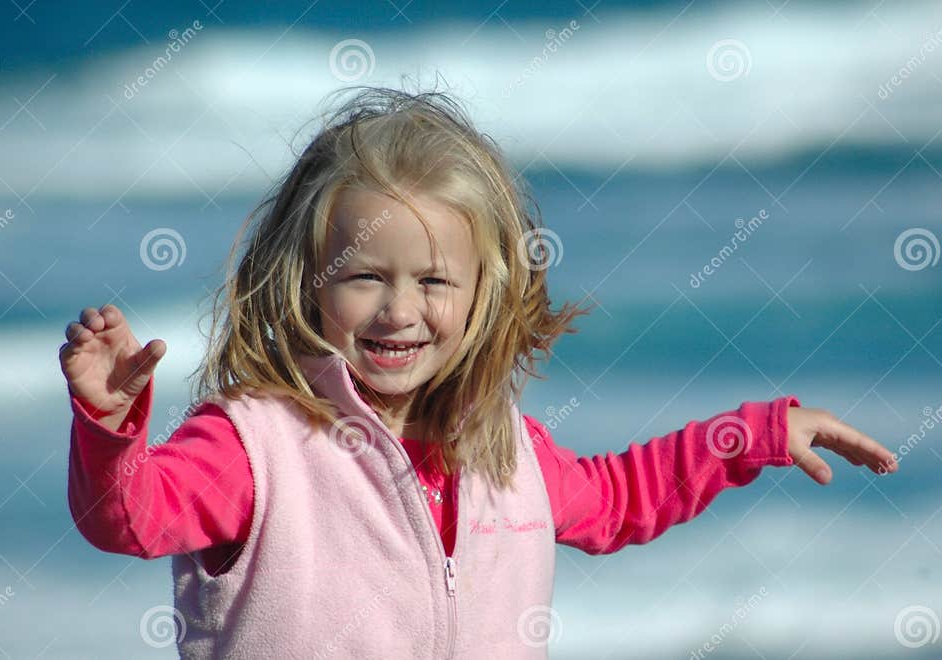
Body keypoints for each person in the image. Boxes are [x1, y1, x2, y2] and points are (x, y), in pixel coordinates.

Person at [60, 86, 899, 659]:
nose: (399, 311)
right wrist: (109, 427)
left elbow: (619, 500)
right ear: (305, 280)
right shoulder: (256, 445)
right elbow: (131, 518)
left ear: (484, 293)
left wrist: (754, 434)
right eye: (364, 276)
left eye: (433, 281)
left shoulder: (507, 452)